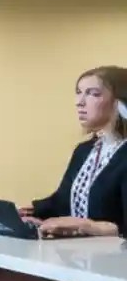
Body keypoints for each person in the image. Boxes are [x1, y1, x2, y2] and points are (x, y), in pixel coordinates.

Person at [24, 66, 127, 238]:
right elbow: (61, 202)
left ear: (120, 103)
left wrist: (89, 226)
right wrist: (28, 212)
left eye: (93, 94)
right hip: (77, 252)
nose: (79, 102)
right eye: (79, 93)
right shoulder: (84, 150)